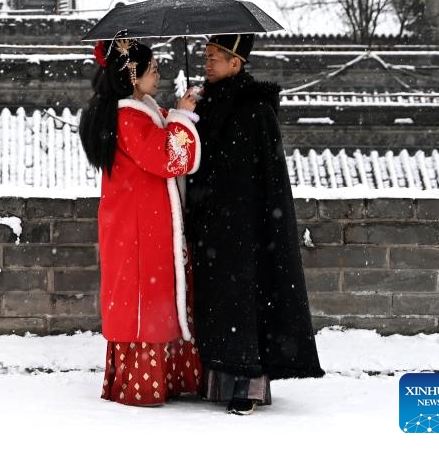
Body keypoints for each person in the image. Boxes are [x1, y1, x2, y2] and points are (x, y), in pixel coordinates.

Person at [185, 33, 324, 416]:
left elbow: (268, 176)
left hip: (246, 226)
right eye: (207, 56)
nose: (208, 63)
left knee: (246, 307)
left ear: (237, 62)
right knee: (218, 307)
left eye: (216, 57)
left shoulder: (255, 109)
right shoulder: (206, 104)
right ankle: (219, 380)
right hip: (213, 224)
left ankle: (249, 384)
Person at [79, 37, 203, 407]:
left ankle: (149, 379)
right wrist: (181, 117)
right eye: (153, 70)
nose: (158, 75)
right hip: (140, 230)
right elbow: (170, 158)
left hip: (136, 225)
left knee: (147, 300)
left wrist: (177, 113)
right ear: (132, 76)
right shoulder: (129, 118)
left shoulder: (136, 112)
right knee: (145, 303)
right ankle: (144, 383)